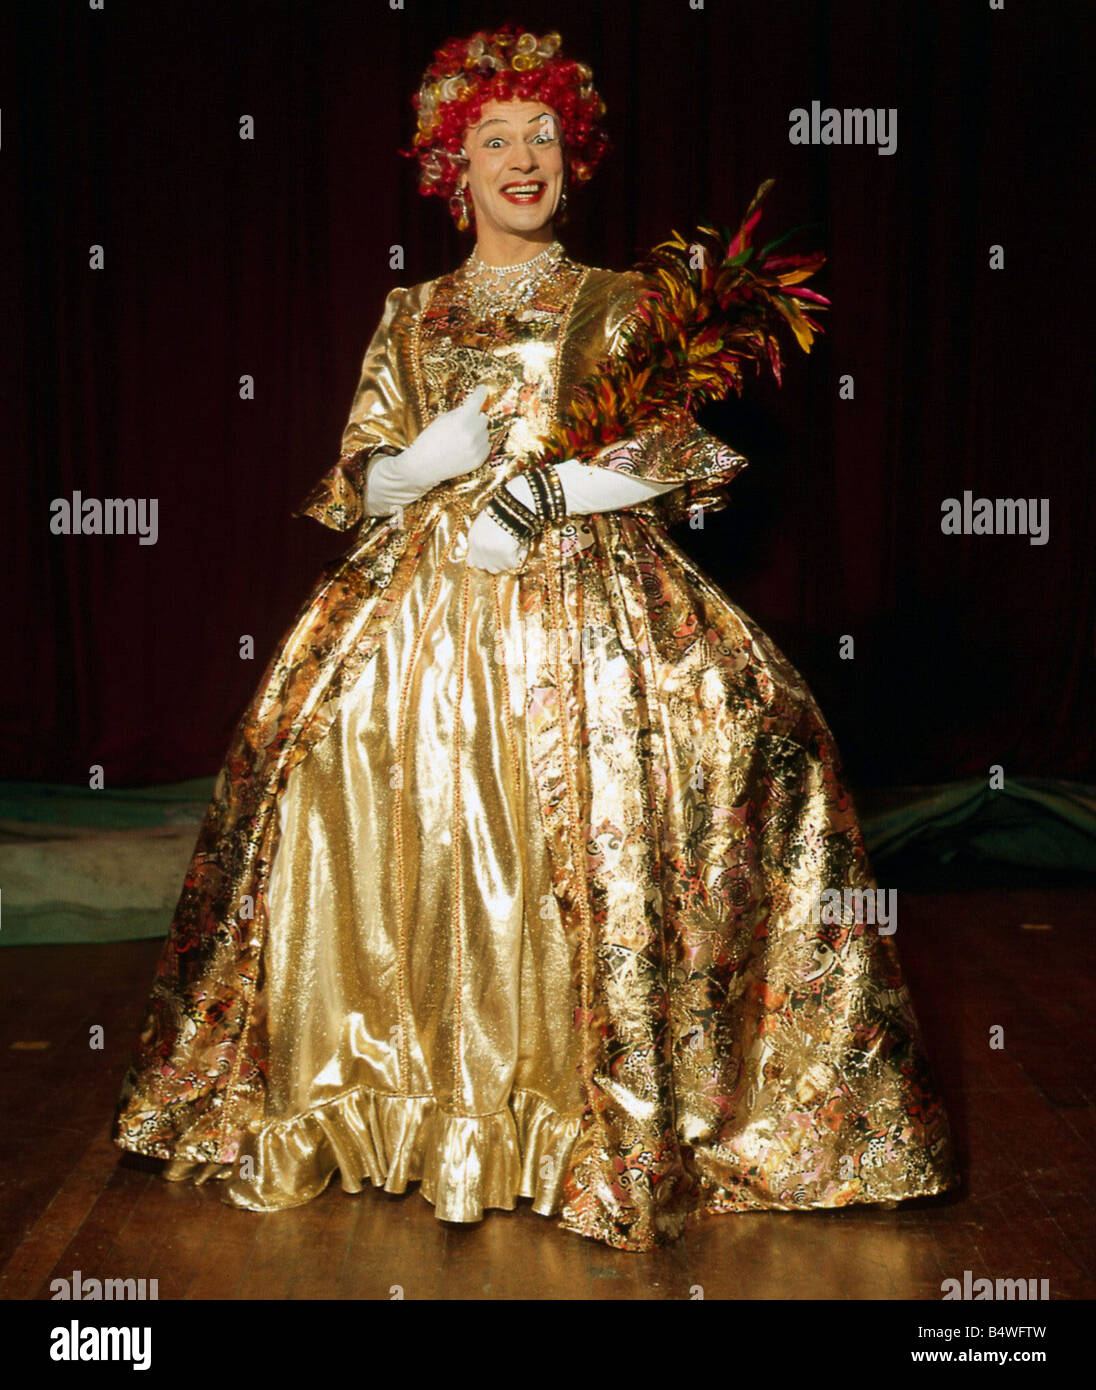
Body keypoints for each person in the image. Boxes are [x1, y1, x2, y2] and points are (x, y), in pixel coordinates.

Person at [113, 23, 958, 1253]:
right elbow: (356, 475)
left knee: (742, 734)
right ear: (449, 168)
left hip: (582, 581)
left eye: (544, 138)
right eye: (495, 139)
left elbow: (668, 452)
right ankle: (377, 1105)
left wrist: (549, 491)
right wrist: (417, 465)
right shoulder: (409, 312)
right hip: (416, 600)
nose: (524, 158)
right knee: (327, 767)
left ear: (576, 158)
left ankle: (602, 1118)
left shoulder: (619, 301)